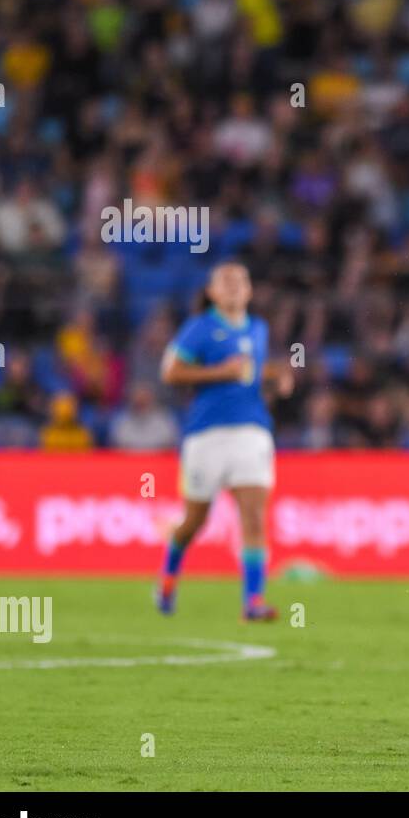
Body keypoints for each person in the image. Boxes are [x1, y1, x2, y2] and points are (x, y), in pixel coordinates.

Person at [156, 261, 294, 620]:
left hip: (252, 431)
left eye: (240, 280)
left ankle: (253, 602)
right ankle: (168, 578)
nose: (233, 286)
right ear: (212, 292)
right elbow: (170, 372)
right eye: (225, 281)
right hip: (206, 435)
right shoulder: (199, 329)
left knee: (253, 516)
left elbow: (249, 371)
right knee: (194, 523)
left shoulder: (259, 329)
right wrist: (222, 372)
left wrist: (276, 376)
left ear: (249, 291)